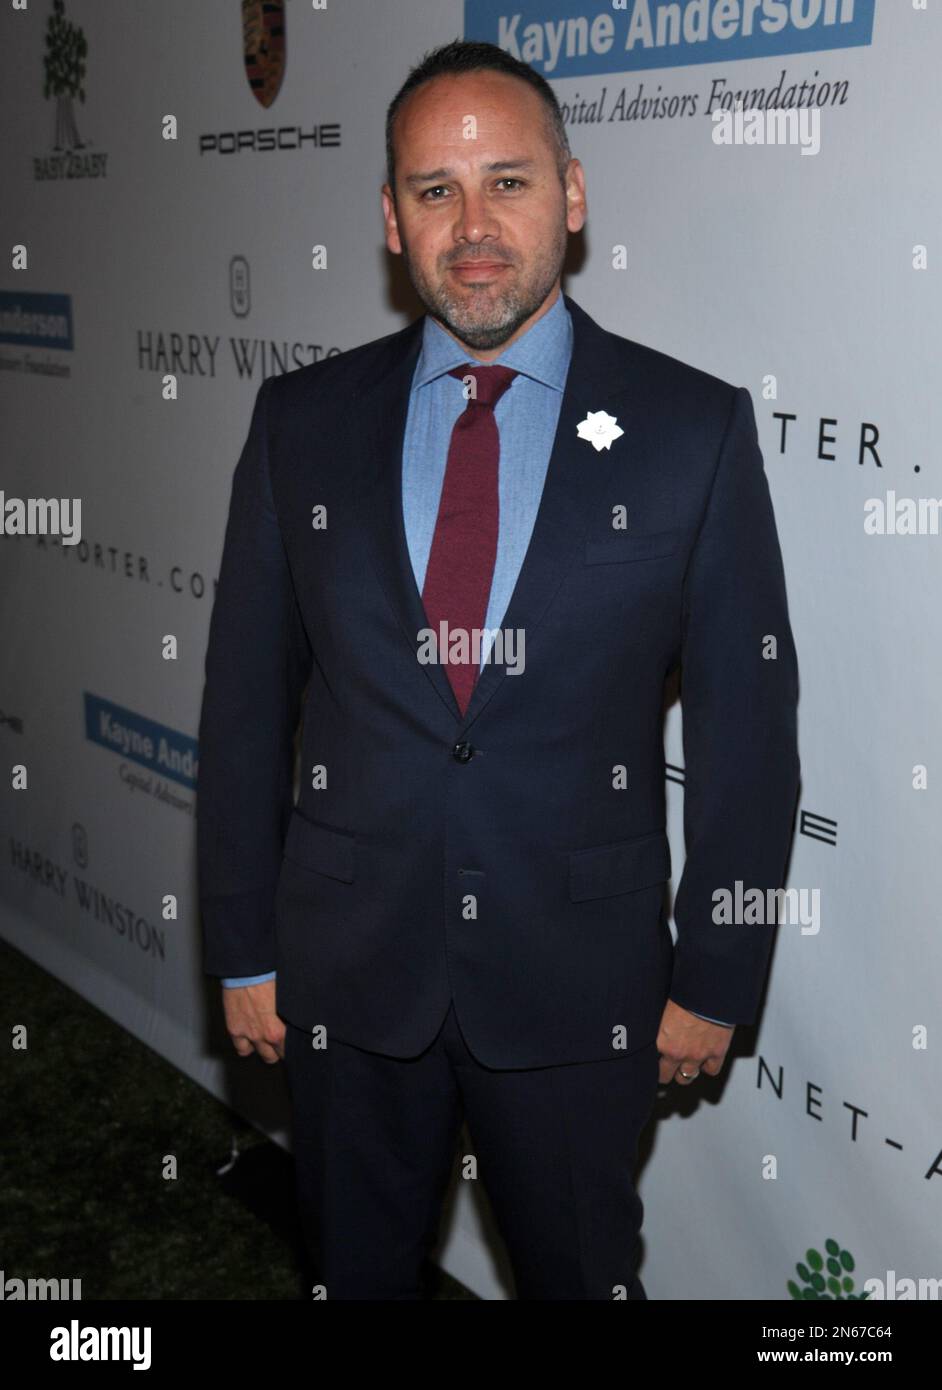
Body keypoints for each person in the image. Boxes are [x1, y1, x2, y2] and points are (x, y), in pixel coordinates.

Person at [196, 39, 800, 1300]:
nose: (473, 227)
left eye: (508, 182)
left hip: (581, 984)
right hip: (347, 973)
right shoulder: (302, 426)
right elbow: (246, 708)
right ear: (389, 218)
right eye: (435, 190)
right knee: (354, 1274)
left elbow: (750, 733)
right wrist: (244, 945)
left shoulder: (691, 432)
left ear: (572, 198)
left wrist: (717, 975)